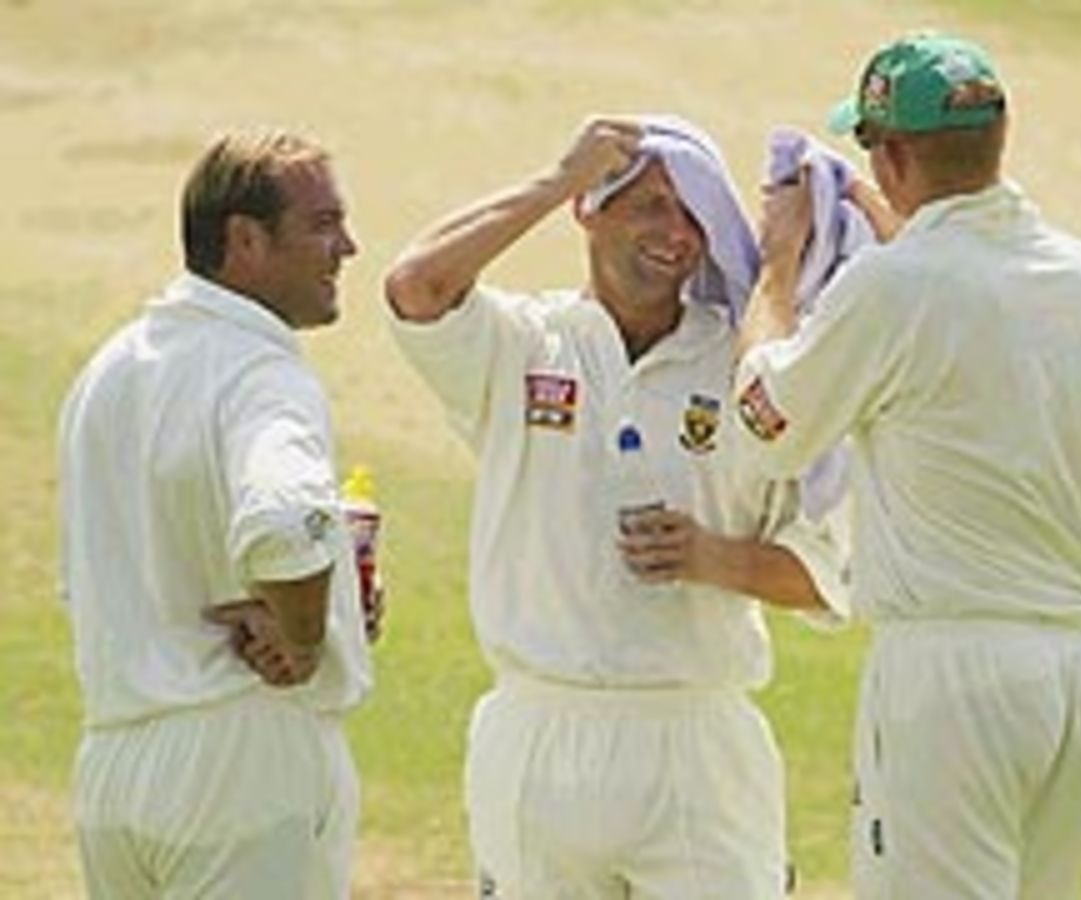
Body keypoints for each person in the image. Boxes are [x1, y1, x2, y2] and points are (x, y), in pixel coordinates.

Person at [384, 115, 847, 899]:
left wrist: (712, 557)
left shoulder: (746, 364)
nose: (676, 233)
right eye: (650, 206)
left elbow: (830, 573)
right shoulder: (525, 344)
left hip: (695, 740)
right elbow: (415, 287)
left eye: (693, 214)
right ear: (588, 212)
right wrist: (560, 176)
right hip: (538, 731)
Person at [733, 32, 1081, 899]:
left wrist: (778, 270)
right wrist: (904, 237)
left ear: (896, 153)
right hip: (1077, 672)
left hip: (952, 678)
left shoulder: (897, 286)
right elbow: (967, 335)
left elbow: (769, 424)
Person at [57, 128, 374, 899]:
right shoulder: (263, 376)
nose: (349, 248)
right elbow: (284, 525)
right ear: (245, 241)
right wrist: (304, 636)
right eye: (324, 225)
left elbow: (95, 577)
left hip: (114, 771)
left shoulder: (109, 371)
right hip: (244, 763)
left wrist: (328, 597)